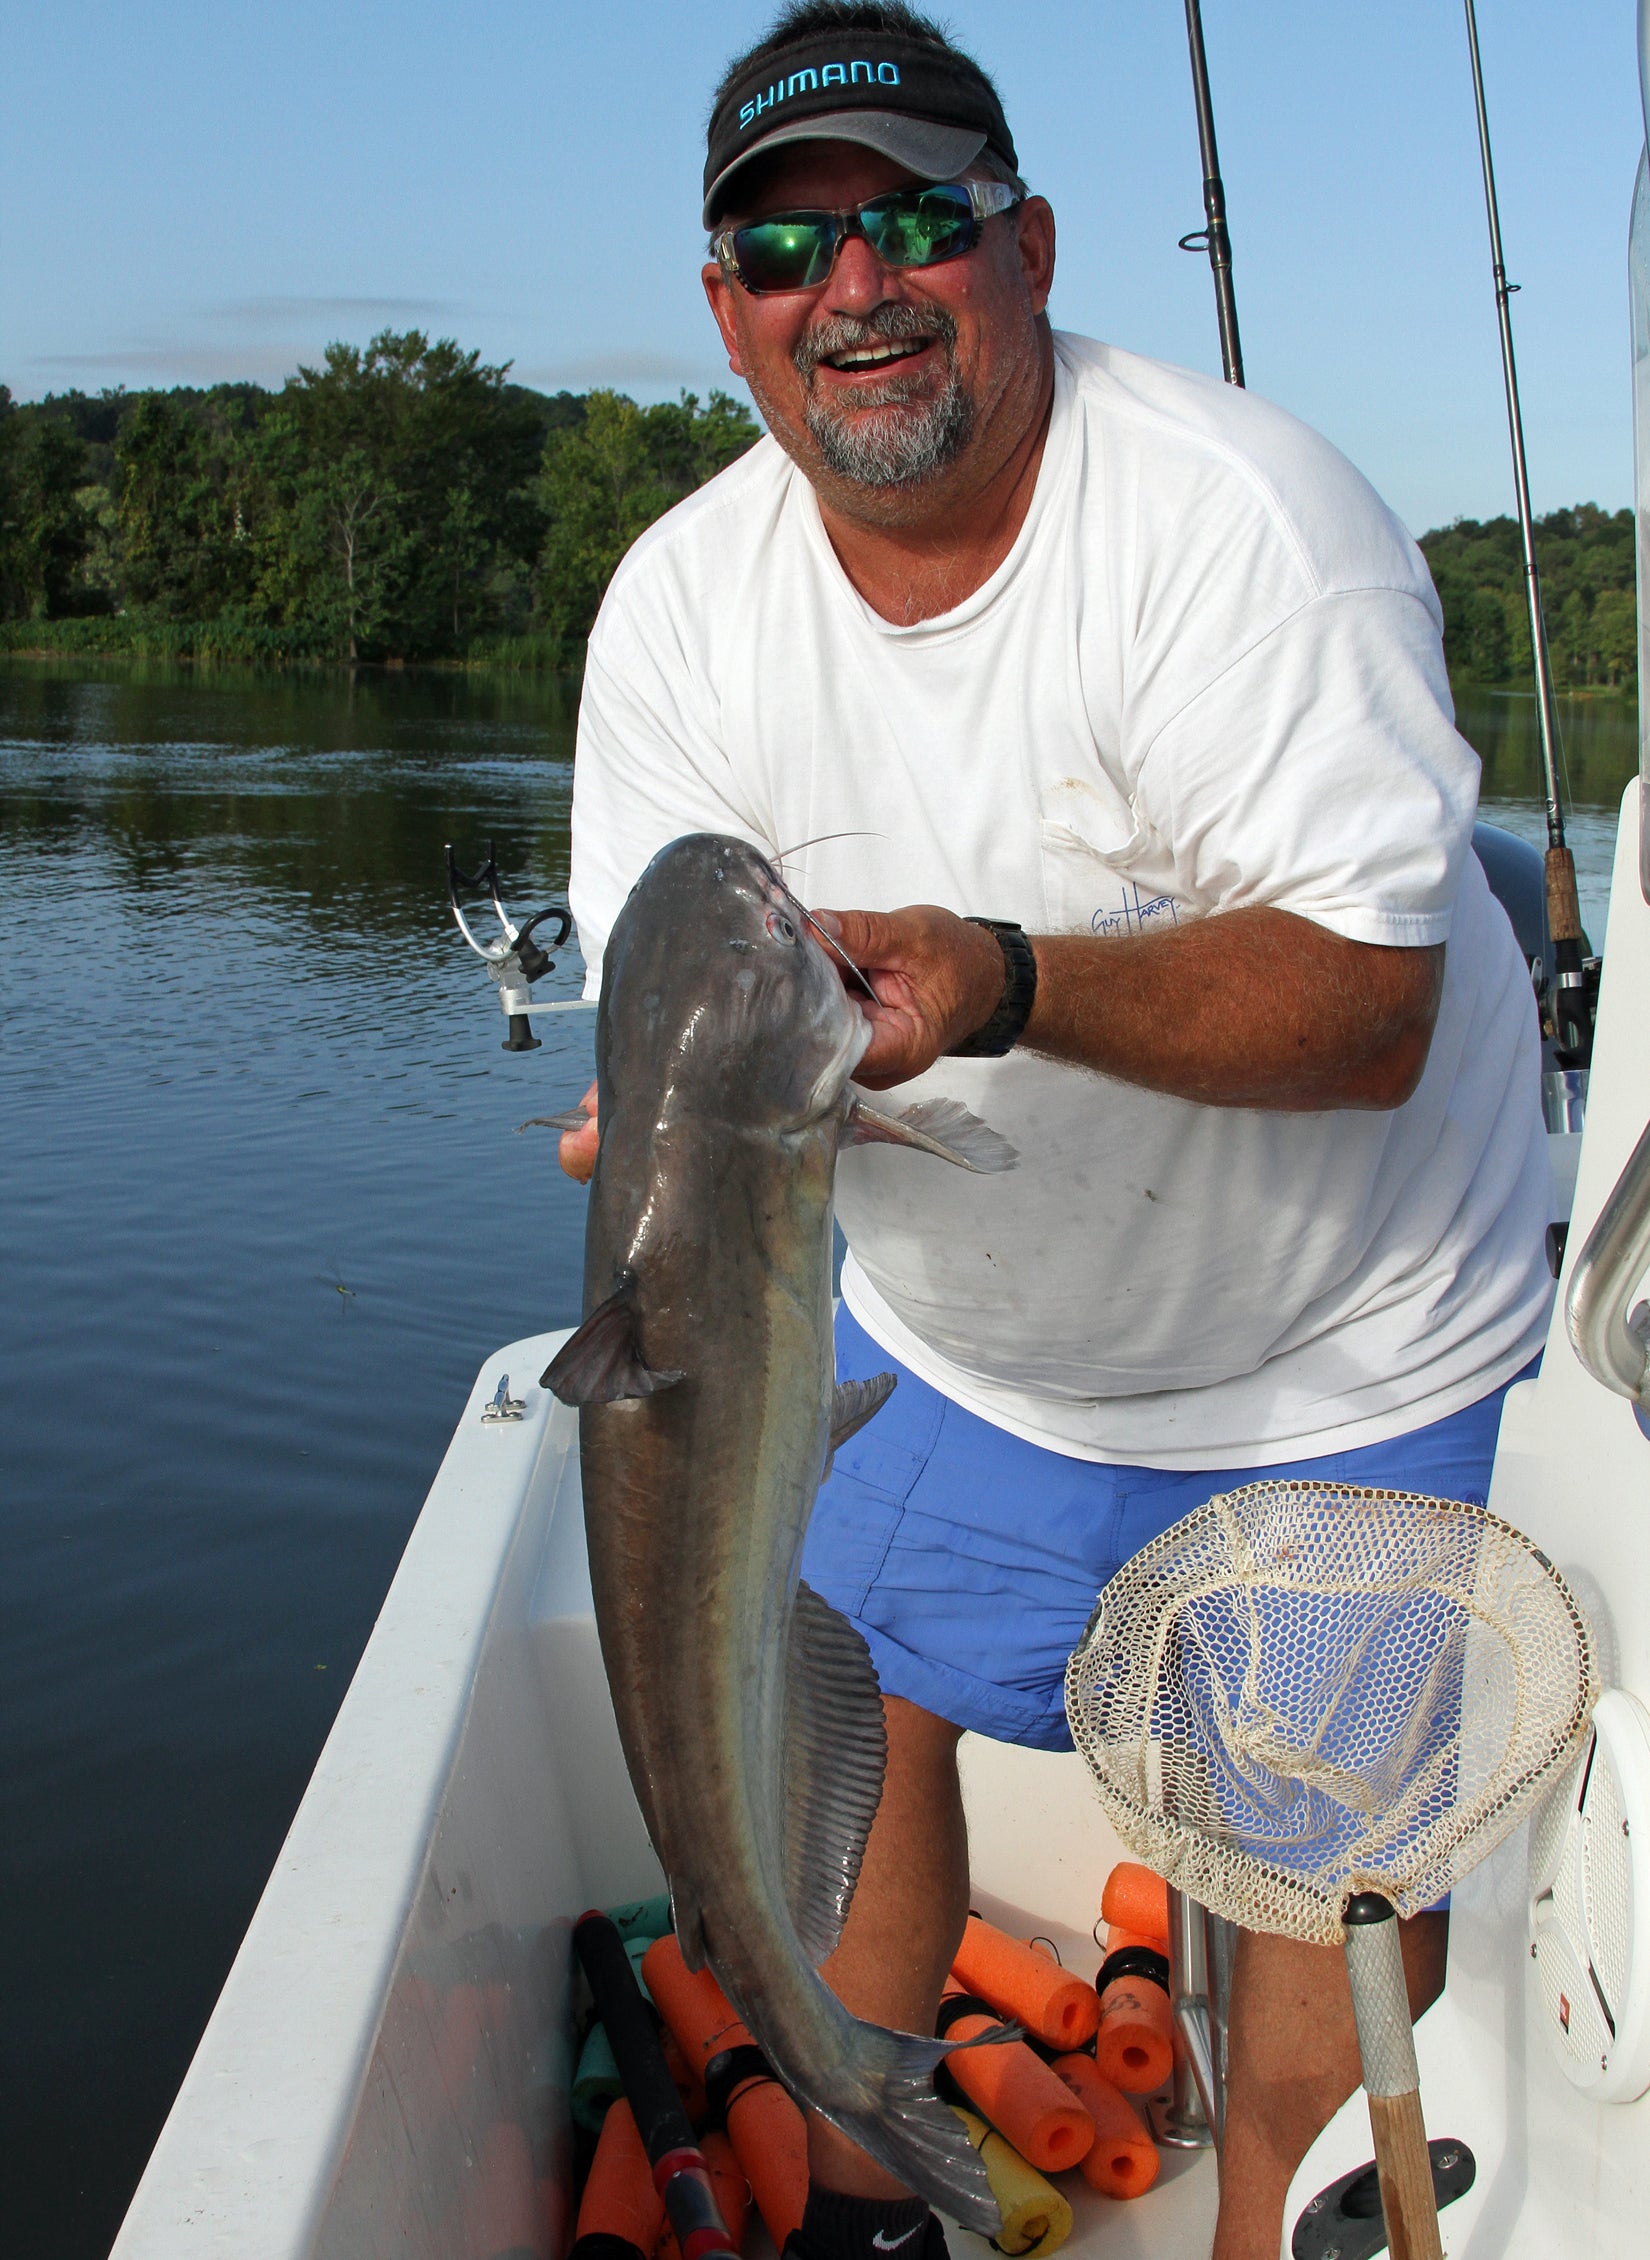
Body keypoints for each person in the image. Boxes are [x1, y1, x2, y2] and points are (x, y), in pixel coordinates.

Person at [559, 6, 1552, 2257]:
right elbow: (669, 1016)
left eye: (911, 222)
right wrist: (656, 1142)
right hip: (1005, 1334)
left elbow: (1372, 1010)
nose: (856, 291)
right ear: (726, 310)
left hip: (1349, 1333)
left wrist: (1002, 977)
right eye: (787, 254)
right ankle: (859, 2147)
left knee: (1316, 1850)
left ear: (1021, 244)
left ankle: (1263, 2211)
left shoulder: (1240, 529)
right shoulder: (684, 613)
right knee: (864, 1678)